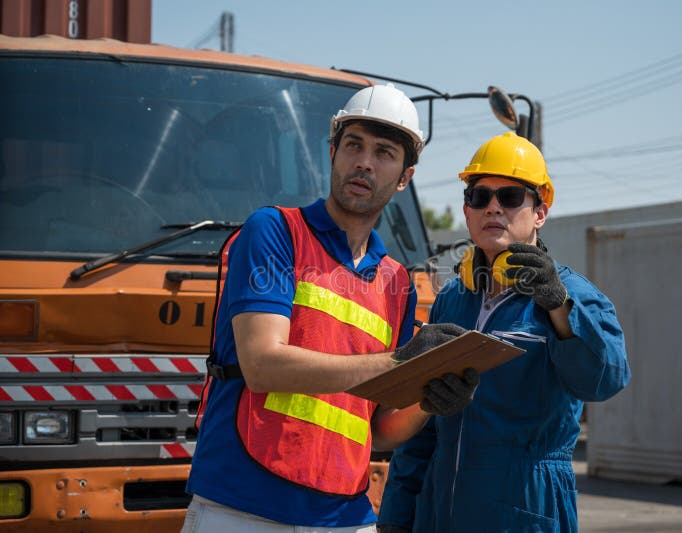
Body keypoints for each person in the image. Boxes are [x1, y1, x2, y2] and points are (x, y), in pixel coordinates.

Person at [182, 84, 478, 532]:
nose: (364, 162)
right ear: (333, 152)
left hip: (345, 513)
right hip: (242, 505)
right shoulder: (276, 232)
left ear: (404, 177)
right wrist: (400, 361)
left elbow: (378, 428)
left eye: (384, 152)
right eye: (354, 145)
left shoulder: (397, 281)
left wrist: (431, 396)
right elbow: (262, 364)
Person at [377, 132, 631, 532]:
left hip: (525, 506)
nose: (493, 207)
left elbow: (605, 380)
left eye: (510, 196)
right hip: (439, 511)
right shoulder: (452, 299)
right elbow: (422, 430)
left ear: (540, 212)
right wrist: (396, 515)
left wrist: (558, 308)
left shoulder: (575, 296)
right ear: (467, 210)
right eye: (480, 196)